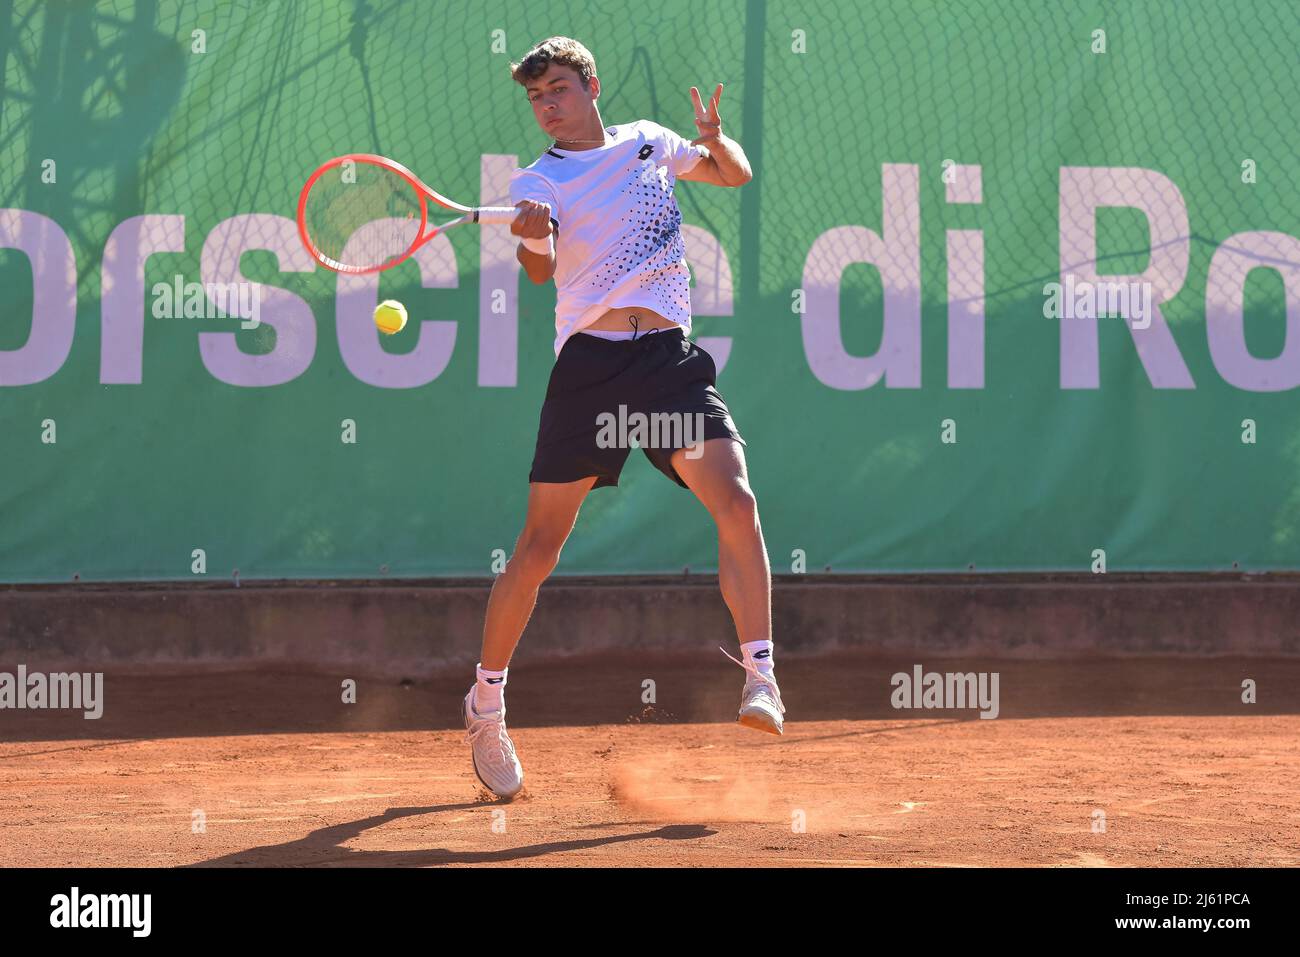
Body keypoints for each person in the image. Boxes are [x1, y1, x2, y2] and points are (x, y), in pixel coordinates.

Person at [463, 36, 783, 800]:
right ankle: (484, 702)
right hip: (592, 370)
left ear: (592, 85)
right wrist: (534, 233)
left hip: (665, 363)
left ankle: (761, 673)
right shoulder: (537, 180)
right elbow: (539, 271)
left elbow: (734, 174)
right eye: (538, 95)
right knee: (540, 547)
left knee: (735, 498)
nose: (549, 103)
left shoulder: (649, 144)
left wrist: (712, 140)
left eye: (560, 88)